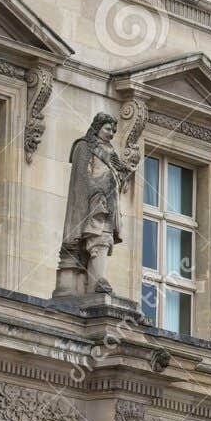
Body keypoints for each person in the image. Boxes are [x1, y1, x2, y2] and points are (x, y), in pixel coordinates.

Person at [55, 113, 128, 296]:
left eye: (113, 130)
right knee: (97, 238)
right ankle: (96, 282)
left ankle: (97, 280)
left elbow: (115, 175)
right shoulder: (84, 146)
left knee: (104, 239)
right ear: (98, 127)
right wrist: (97, 194)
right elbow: (81, 179)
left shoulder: (112, 153)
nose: (111, 134)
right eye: (108, 129)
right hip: (93, 202)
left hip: (109, 203)